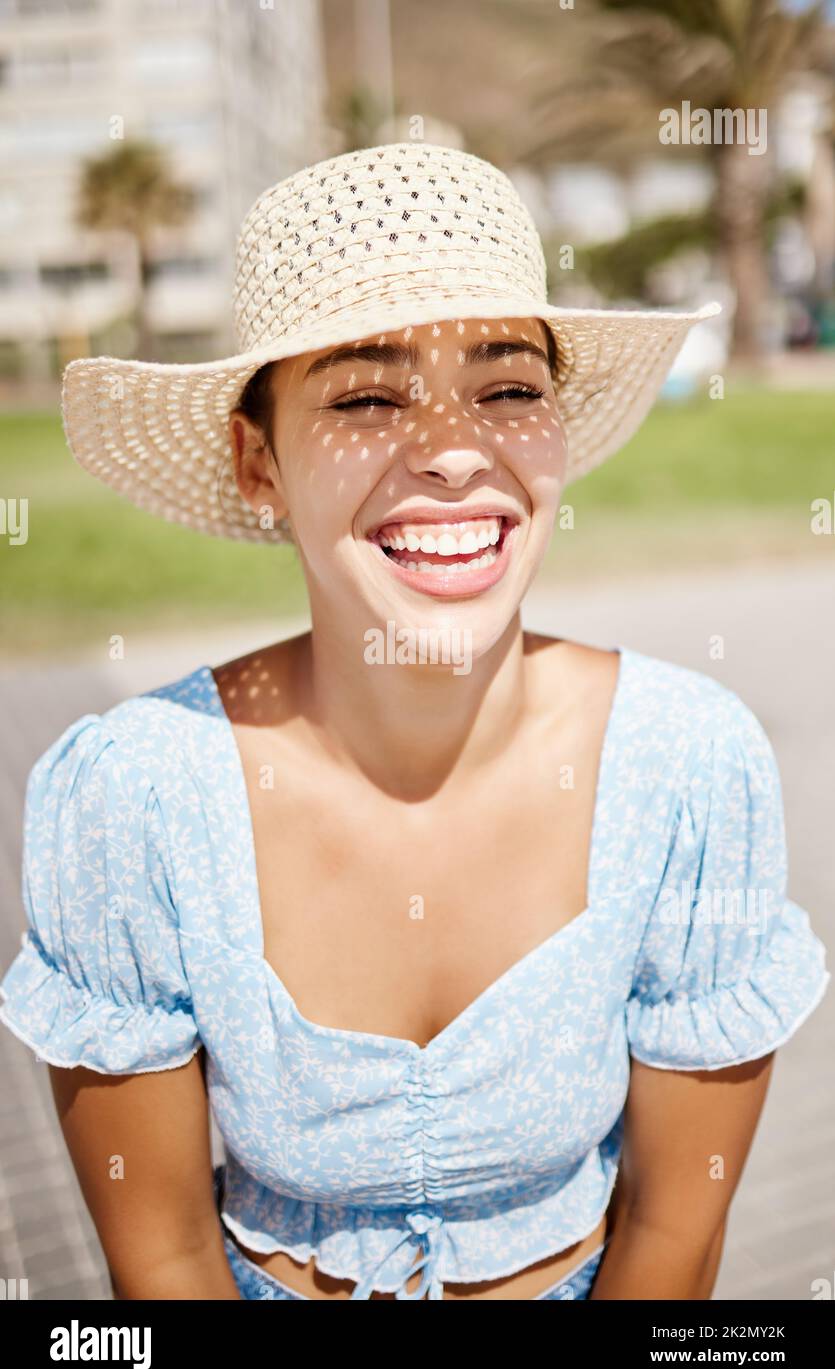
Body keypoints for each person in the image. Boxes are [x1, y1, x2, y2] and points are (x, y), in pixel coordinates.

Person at [0, 142, 828, 1301]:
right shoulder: (133, 796)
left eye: (507, 387)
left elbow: (672, 1243)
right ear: (257, 463)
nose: (451, 453)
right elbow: (164, 1259)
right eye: (366, 395)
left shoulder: (687, 767)